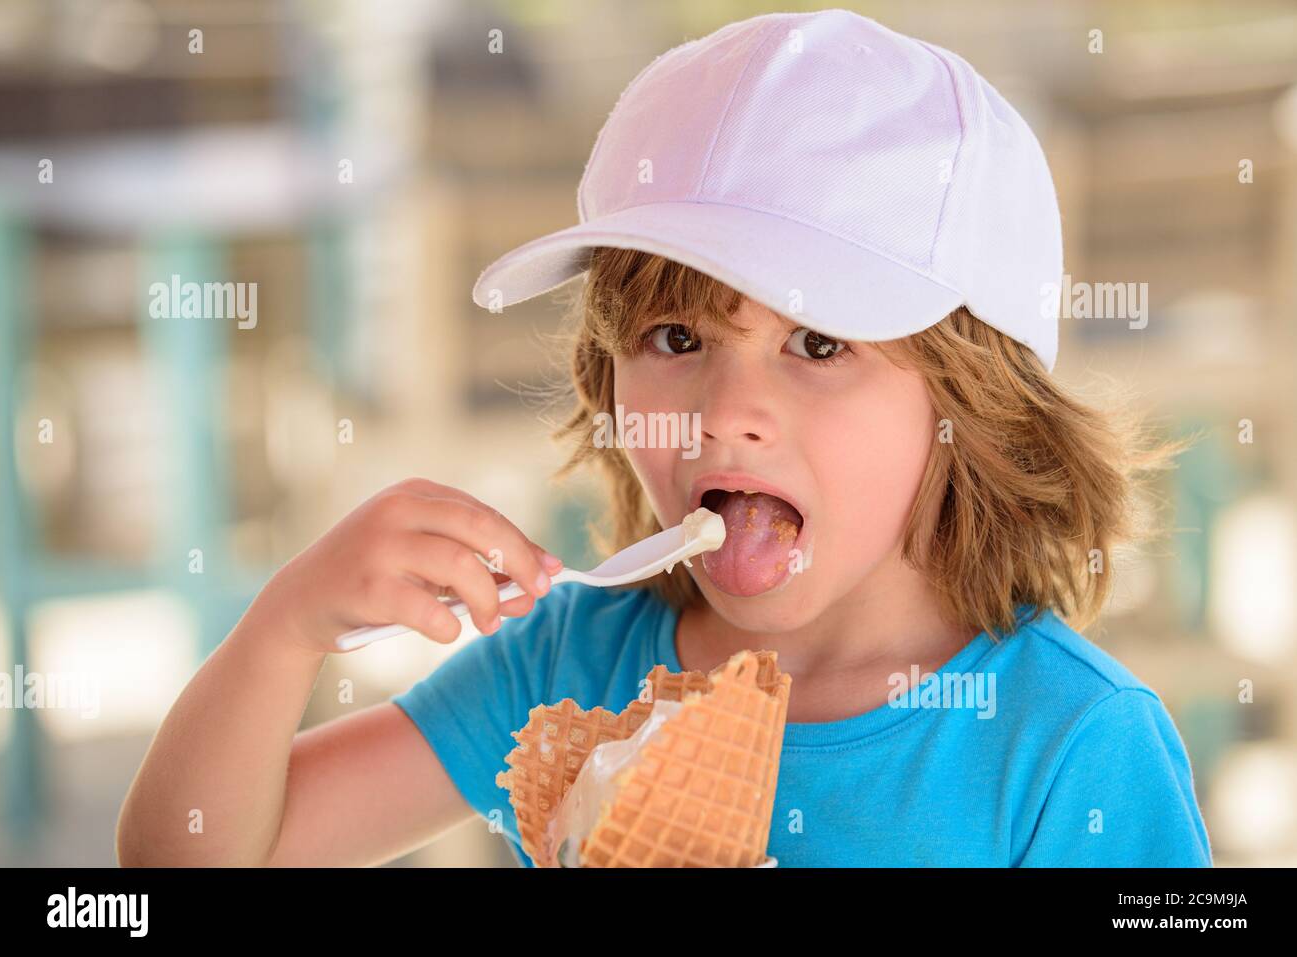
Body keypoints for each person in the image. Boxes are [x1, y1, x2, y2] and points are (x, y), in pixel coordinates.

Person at [117, 9, 1211, 868]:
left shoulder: (1071, 744)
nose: (722, 406)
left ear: (969, 407)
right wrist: (287, 626)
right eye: (675, 335)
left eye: (819, 341)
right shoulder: (567, 670)